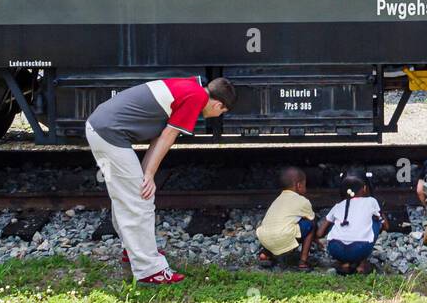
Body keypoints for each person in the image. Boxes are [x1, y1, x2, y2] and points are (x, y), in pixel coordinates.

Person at [85, 76, 236, 284]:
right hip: (109, 133)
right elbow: (168, 136)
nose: (216, 115)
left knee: (128, 195)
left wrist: (148, 173)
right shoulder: (197, 98)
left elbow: (159, 135)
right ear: (219, 104)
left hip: (101, 128)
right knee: (140, 197)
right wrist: (148, 176)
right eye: (221, 112)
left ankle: (134, 251)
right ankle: (149, 271)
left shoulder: (191, 88)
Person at [317, 174, 384, 274]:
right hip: (360, 250)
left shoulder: (338, 206)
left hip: (336, 250)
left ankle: (344, 263)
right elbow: (385, 225)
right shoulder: (371, 201)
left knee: (336, 222)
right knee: (376, 220)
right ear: (364, 188)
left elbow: (319, 233)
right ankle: (361, 264)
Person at [256, 167, 319, 270]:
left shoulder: (277, 200)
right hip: (283, 237)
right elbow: (311, 221)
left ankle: (265, 255)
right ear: (299, 185)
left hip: (264, 238)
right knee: (311, 225)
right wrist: (316, 239)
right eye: (305, 184)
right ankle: (303, 262)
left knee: (274, 225)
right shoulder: (302, 201)